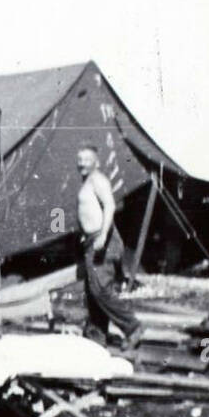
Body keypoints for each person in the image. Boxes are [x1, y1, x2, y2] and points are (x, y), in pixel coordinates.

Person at [76, 145, 143, 348]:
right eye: (79, 159)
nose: (82, 163)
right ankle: (96, 337)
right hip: (92, 241)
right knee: (93, 291)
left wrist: (103, 235)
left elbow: (110, 205)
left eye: (87, 159)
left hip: (103, 242)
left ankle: (133, 327)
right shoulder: (87, 181)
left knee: (100, 290)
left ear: (96, 161)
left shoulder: (98, 180)